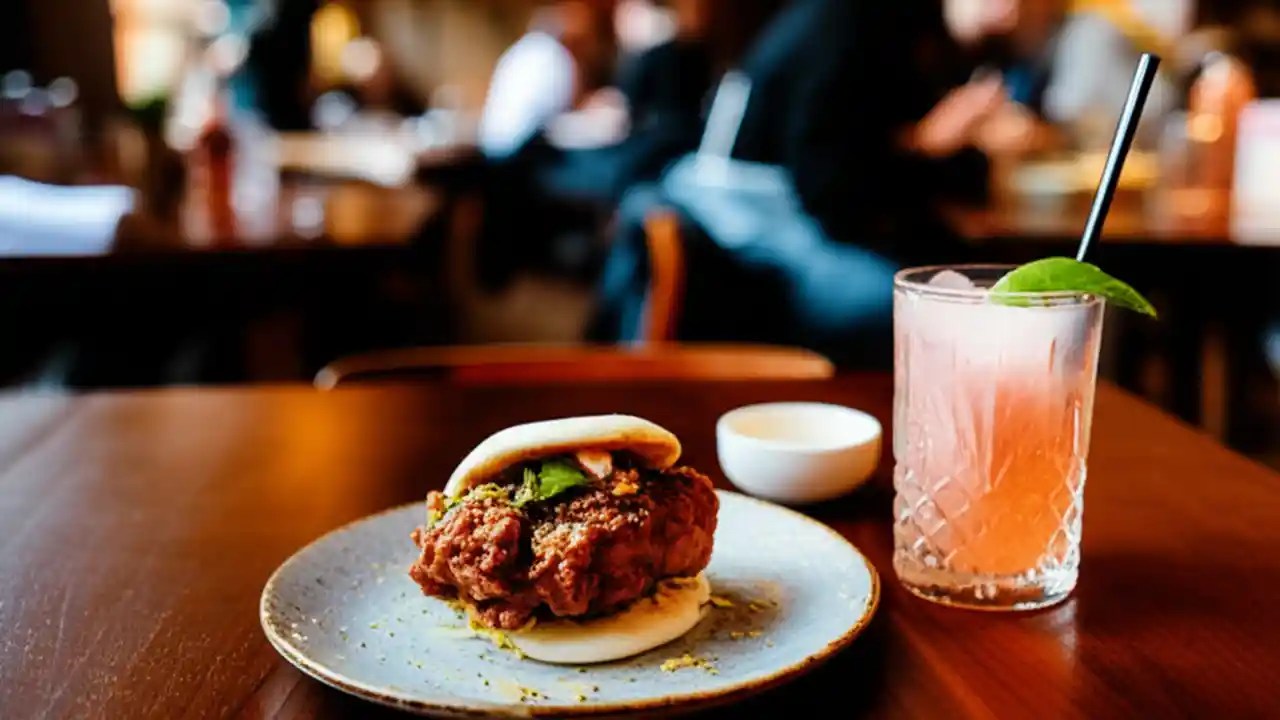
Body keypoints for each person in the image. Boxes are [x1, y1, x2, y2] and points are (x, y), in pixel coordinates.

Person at [590, 0, 1001, 366]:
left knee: (957, 295)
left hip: (782, 221)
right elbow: (831, 193)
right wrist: (926, 145)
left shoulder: (886, 25)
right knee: (929, 315)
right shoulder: (837, 25)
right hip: (753, 240)